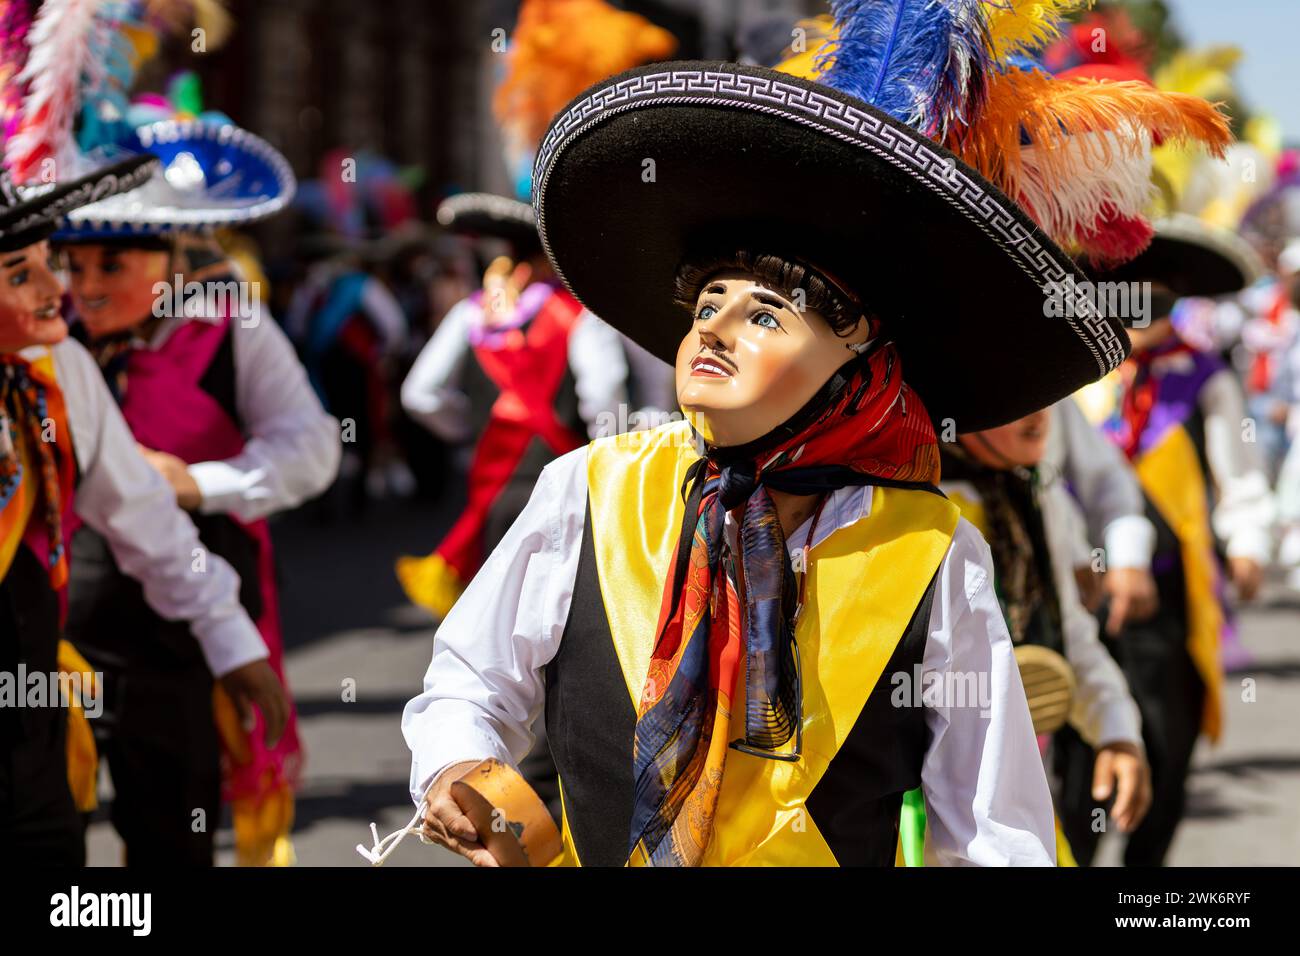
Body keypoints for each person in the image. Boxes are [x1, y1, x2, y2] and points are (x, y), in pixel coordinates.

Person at [396, 0, 1238, 866]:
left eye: (765, 314)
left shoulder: (929, 553)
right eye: (709, 302)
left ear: (858, 354)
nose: (716, 329)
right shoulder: (588, 488)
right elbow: (471, 677)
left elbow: (993, 826)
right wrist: (459, 766)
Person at [53, 99, 339, 866]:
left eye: (113, 264)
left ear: (173, 258)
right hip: (63, 626)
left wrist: (202, 484)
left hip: (183, 616)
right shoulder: (53, 341)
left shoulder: (230, 328)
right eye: (73, 265)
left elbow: (312, 449)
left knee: (170, 825)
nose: (87, 284)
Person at [0, 157, 287, 866]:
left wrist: (229, 637)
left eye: (48, 263)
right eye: (20, 273)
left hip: (35, 716)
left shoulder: (56, 372)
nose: (59, 289)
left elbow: (145, 514)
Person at [1070, 214, 1273, 865]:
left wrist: (1246, 539)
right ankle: (1075, 846)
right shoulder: (1075, 376)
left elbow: (1235, 471)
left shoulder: (1203, 377)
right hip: (1082, 589)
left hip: (1169, 591)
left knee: (1164, 736)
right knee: (1079, 753)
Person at [933, 411, 1151, 866]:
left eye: (1046, 395)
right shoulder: (915, 510)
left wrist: (1116, 729)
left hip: (1019, 795)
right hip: (922, 816)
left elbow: (1074, 638)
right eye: (1012, 395)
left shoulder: (1038, 497)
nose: (1038, 413)